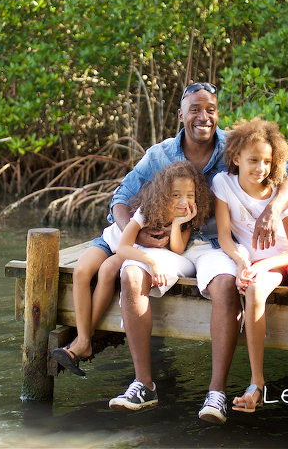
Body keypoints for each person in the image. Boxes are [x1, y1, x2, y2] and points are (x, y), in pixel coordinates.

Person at [106, 82, 288, 423]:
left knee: (227, 283)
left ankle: (216, 393)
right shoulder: (159, 154)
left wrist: (274, 208)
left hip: (217, 245)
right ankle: (144, 384)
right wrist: (139, 234)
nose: (204, 116)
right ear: (181, 114)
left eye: (211, 109)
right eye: (195, 109)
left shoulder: (236, 145)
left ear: (218, 113)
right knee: (130, 271)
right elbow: (121, 198)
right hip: (173, 243)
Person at [211, 117, 288, 416]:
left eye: (267, 161)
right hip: (259, 265)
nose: (260, 168)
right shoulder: (223, 185)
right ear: (235, 158)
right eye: (253, 160)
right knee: (254, 292)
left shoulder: (276, 191)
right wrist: (243, 262)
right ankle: (256, 384)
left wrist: (265, 262)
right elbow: (224, 239)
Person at [108, 161, 212, 410]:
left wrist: (179, 223)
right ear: (163, 194)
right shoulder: (146, 210)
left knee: (133, 269)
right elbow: (124, 247)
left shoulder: (187, 217)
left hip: (180, 258)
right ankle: (144, 384)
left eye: (189, 195)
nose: (182, 201)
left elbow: (177, 249)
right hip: (146, 254)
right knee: (130, 274)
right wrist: (149, 262)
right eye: (175, 195)